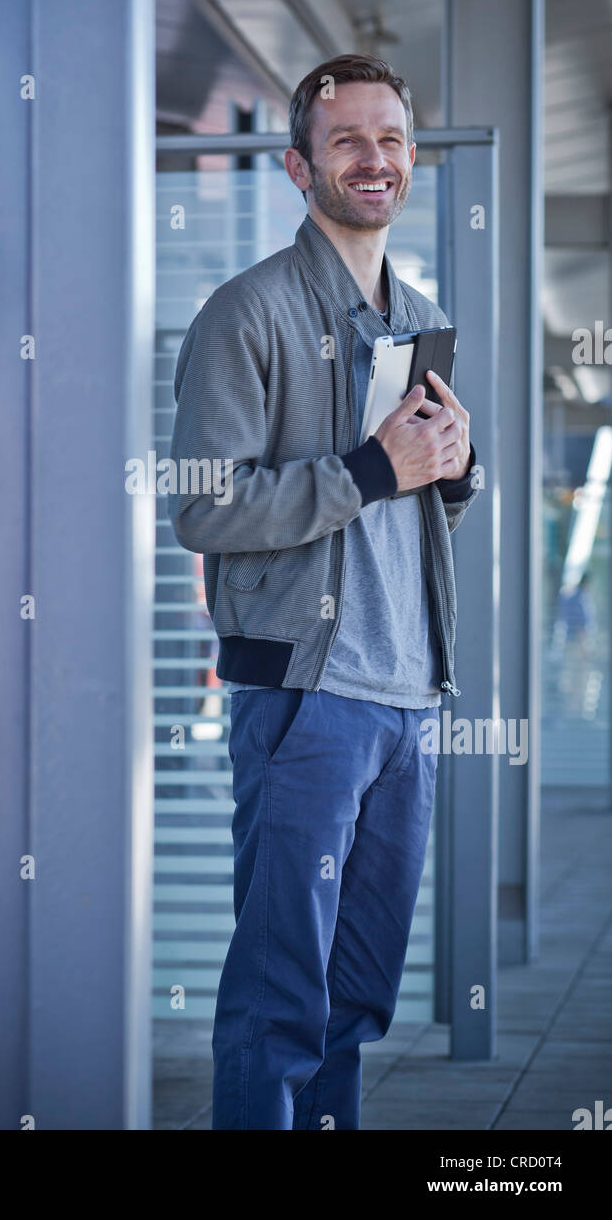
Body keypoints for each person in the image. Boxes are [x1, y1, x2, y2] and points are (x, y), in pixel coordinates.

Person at [167, 55, 479, 1131]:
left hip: (405, 701)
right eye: (346, 140)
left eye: (389, 138)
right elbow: (202, 509)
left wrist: (453, 469)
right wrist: (367, 469)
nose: (373, 158)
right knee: (279, 995)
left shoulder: (422, 316)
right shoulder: (243, 311)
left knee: (356, 998)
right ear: (301, 166)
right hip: (305, 698)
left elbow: (415, 509)